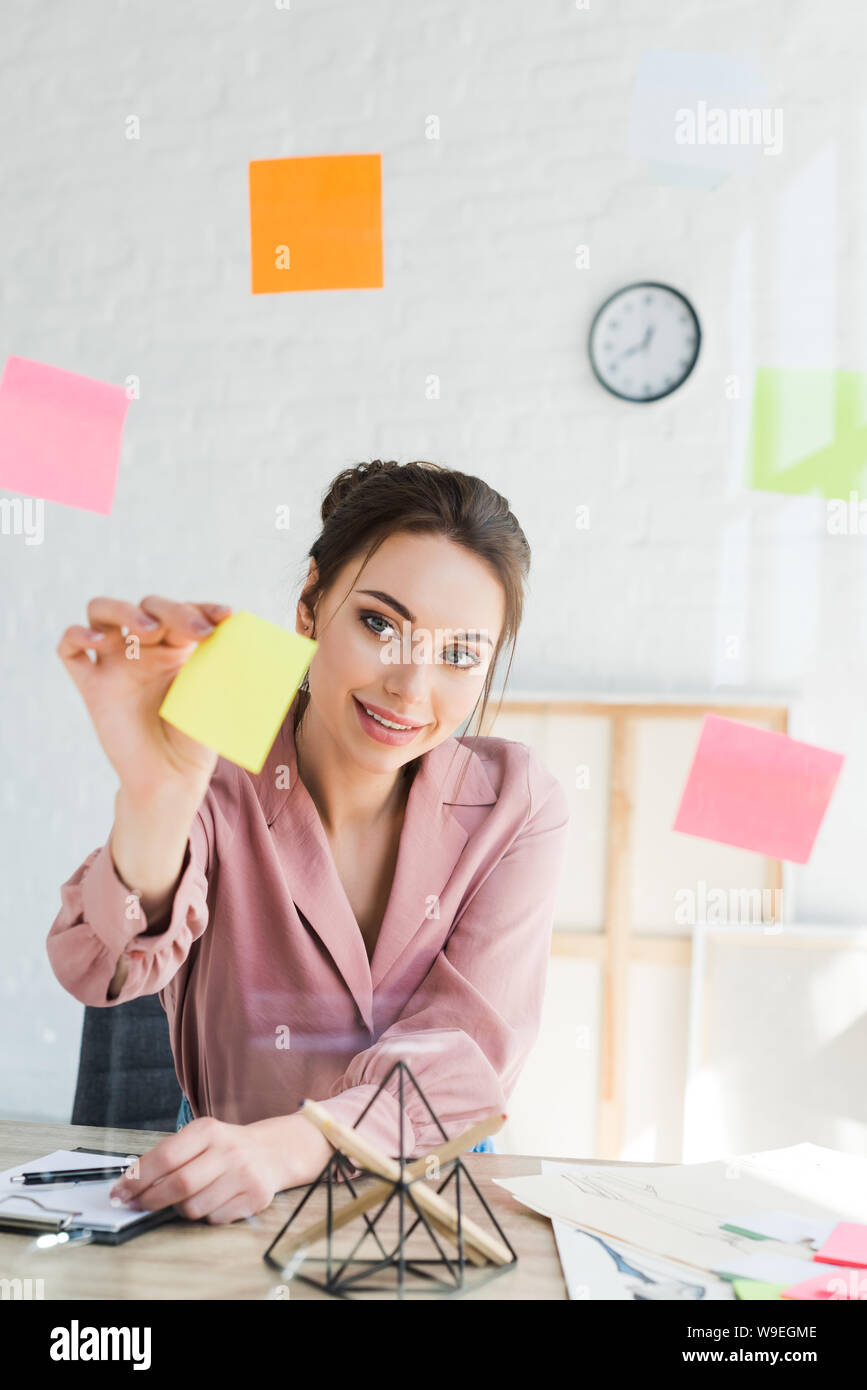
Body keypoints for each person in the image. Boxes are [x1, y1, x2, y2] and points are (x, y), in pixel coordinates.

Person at [47, 459, 570, 1225]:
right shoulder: (217, 759)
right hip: (230, 1199)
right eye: (379, 625)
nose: (409, 688)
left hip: (428, 1197)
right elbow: (96, 966)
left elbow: (463, 1060)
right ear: (308, 605)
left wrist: (298, 1144)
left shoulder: (515, 803)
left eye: (458, 655)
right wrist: (155, 801)